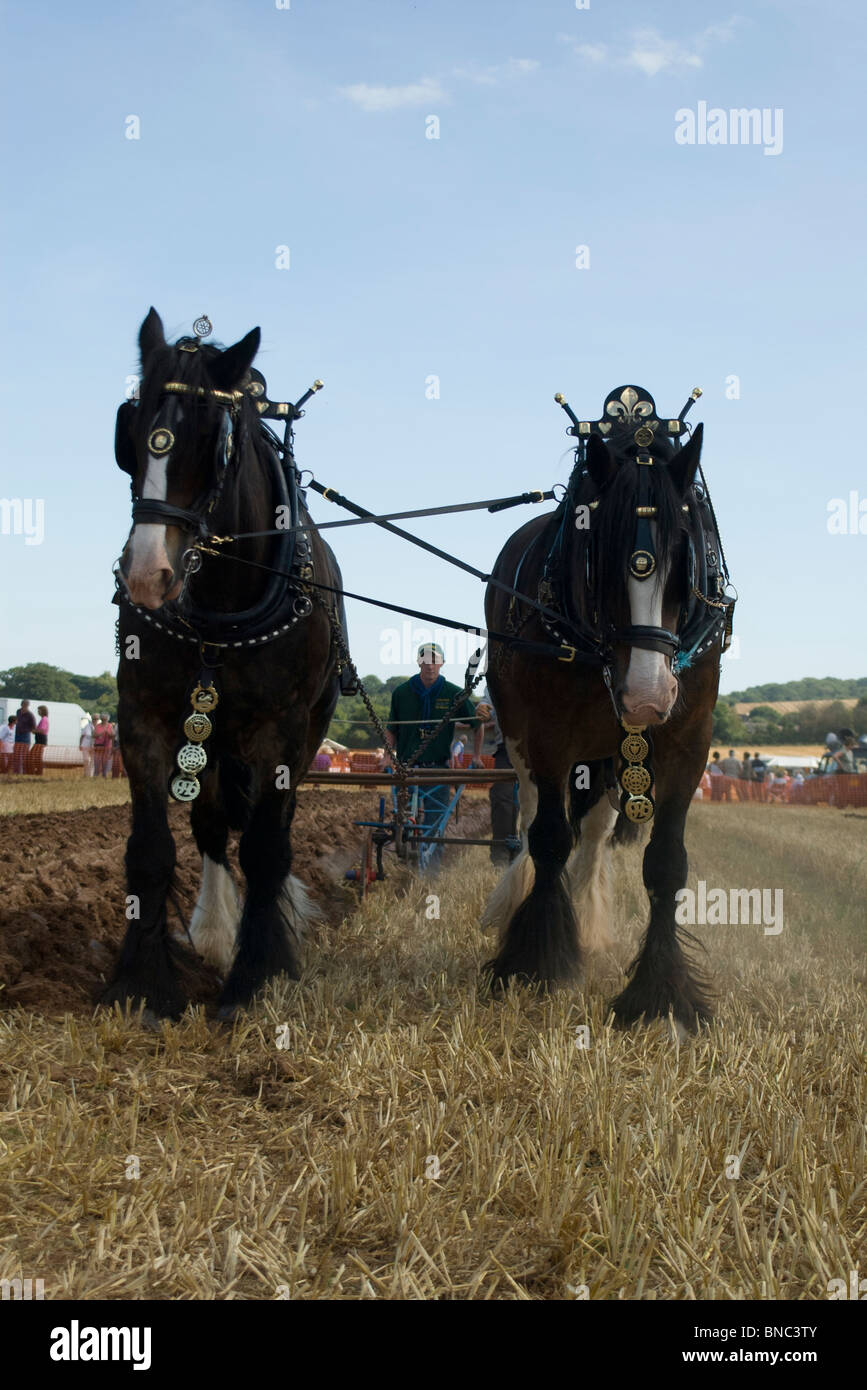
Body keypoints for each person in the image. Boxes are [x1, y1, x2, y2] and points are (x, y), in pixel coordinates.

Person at [383, 643, 482, 869]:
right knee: (403, 820)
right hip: (407, 769)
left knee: (435, 825)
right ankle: (406, 863)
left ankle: (431, 873)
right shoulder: (401, 693)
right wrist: (388, 758)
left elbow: (478, 724)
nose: (430, 665)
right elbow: (392, 728)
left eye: (434, 660)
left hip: (438, 769)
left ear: (442, 663)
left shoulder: (454, 693)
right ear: (418, 662)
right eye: (425, 660)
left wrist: (476, 756)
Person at [474, 688, 518, 866]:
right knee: (501, 797)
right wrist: (483, 707)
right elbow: (488, 701)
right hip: (507, 749)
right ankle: (501, 854)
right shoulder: (501, 673)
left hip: (540, 749)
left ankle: (533, 852)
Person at [12, 699, 36, 774]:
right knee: (16, 753)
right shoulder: (18, 711)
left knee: (23, 754)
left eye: (26, 705)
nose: (25, 706)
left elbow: (33, 726)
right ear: (21, 704)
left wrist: (29, 730)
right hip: (17, 734)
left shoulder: (30, 715)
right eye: (24, 704)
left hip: (25, 736)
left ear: (28, 706)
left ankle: (24, 771)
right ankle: (16, 771)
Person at [31, 705, 49, 775]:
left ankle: (39, 771)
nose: (38, 712)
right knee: (37, 755)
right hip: (40, 739)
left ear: (43, 711)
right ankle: (38, 771)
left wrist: (34, 731)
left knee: (36, 755)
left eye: (39, 710)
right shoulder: (43, 719)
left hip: (41, 739)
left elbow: (42, 730)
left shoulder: (44, 719)